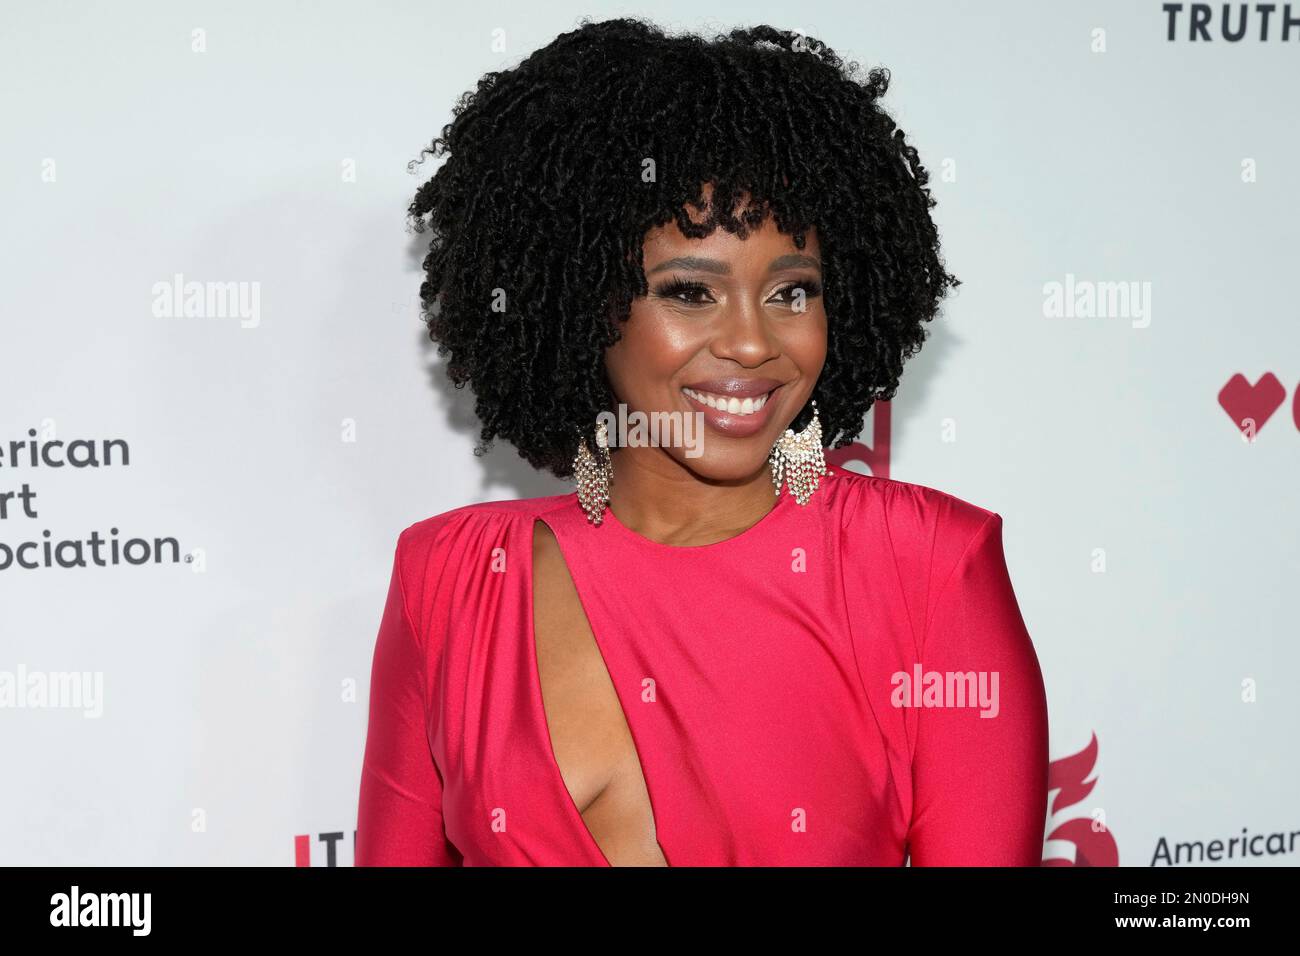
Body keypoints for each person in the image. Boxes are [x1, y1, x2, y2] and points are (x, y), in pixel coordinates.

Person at [355, 16, 1048, 866]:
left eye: (794, 293)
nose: (754, 343)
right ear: (581, 301)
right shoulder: (450, 580)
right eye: (690, 292)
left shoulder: (929, 567)